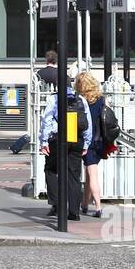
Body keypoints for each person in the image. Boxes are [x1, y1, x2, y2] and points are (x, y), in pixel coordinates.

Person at [40, 77, 91, 221]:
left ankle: (57, 204)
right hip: (76, 138)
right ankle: (74, 212)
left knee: (51, 169)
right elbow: (88, 123)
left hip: (58, 138)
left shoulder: (54, 99)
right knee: (73, 175)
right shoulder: (81, 99)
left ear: (57, 86)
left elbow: (47, 120)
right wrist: (86, 143)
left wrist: (44, 141)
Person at [77, 72, 106, 218]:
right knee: (89, 172)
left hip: (88, 141)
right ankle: (84, 204)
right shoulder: (101, 99)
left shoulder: (81, 101)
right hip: (99, 140)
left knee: (92, 174)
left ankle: (98, 207)